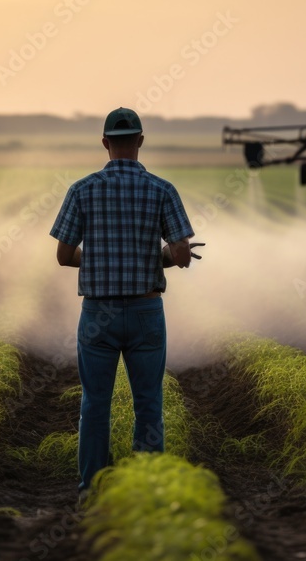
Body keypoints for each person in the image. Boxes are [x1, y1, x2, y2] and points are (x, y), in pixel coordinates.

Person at [50, 106, 202, 496]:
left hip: (98, 314)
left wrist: (97, 258)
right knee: (148, 404)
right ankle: (148, 491)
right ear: (140, 142)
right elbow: (182, 254)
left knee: (94, 405)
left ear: (105, 144)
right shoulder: (162, 189)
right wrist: (165, 256)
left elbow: (64, 256)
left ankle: (91, 490)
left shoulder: (81, 190)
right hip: (146, 311)